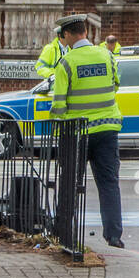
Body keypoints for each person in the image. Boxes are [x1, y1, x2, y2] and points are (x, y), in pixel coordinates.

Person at [50, 14, 125, 248]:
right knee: (109, 183)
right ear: (85, 32)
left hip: (77, 131)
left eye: (62, 36)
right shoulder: (107, 55)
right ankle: (113, 236)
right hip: (107, 129)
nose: (62, 41)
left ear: (68, 35)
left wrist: (56, 127)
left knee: (70, 183)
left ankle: (63, 231)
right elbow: (115, 84)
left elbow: (60, 102)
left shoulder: (66, 63)